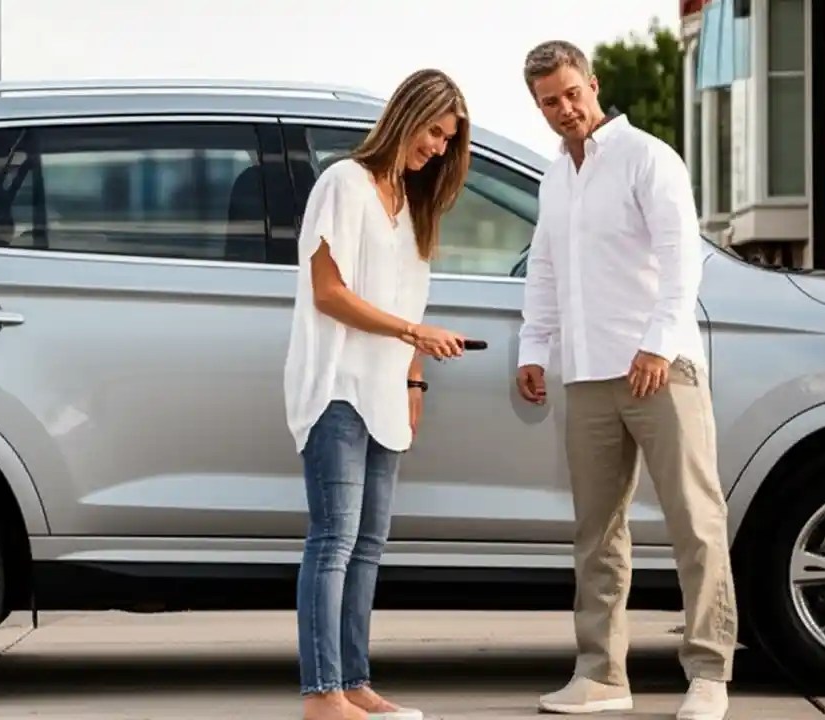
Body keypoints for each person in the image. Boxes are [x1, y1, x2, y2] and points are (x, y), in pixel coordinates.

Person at [514, 40, 737, 720]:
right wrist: (533, 346)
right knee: (598, 532)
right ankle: (602, 675)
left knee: (694, 521)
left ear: (594, 83)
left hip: (659, 371)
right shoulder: (555, 178)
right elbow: (546, 270)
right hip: (586, 374)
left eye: (572, 93)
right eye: (549, 101)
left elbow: (681, 265)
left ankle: (709, 673)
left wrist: (657, 347)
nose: (564, 110)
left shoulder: (648, 158)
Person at [283, 68, 472, 720]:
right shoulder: (344, 183)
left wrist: (414, 374)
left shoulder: (409, 206)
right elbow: (329, 293)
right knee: (333, 538)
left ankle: (355, 684)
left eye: (448, 140)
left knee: (368, 544)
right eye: (433, 131)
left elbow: (407, 301)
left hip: (385, 391)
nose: (438, 149)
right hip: (337, 385)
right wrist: (415, 333)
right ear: (406, 115)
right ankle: (321, 695)